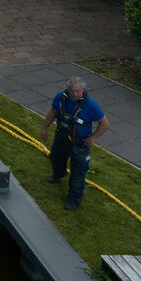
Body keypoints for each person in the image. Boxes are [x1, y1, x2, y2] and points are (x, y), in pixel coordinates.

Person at [41, 76, 109, 210]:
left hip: (80, 144)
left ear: (83, 89)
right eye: (72, 90)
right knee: (55, 157)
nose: (75, 94)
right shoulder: (61, 98)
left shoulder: (90, 105)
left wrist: (93, 138)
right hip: (62, 136)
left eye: (78, 91)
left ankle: (74, 200)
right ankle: (59, 174)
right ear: (67, 89)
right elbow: (53, 111)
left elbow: (105, 123)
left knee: (77, 173)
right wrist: (44, 128)